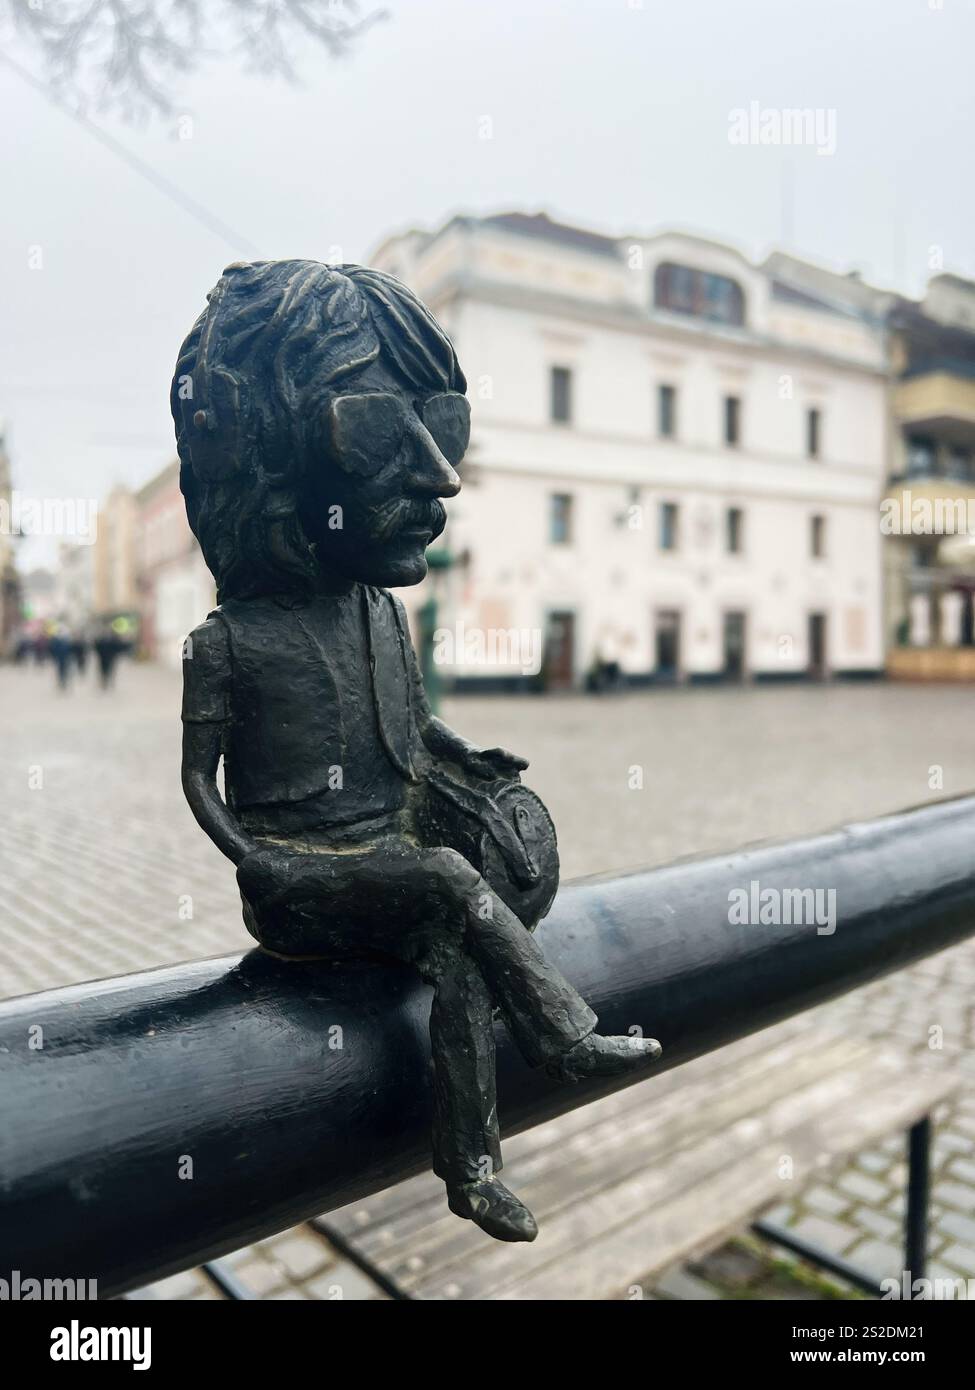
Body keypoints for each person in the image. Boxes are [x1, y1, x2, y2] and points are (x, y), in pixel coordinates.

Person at [173, 261, 660, 1243]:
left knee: (462, 961)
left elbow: (411, 728)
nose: (443, 476)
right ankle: (565, 1036)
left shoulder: (383, 616)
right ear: (259, 454)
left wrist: (468, 761)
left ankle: (470, 1168)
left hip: (385, 860)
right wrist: (252, 855)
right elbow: (197, 779)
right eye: (377, 432)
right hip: (299, 878)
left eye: (447, 428)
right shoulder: (227, 642)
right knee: (444, 881)